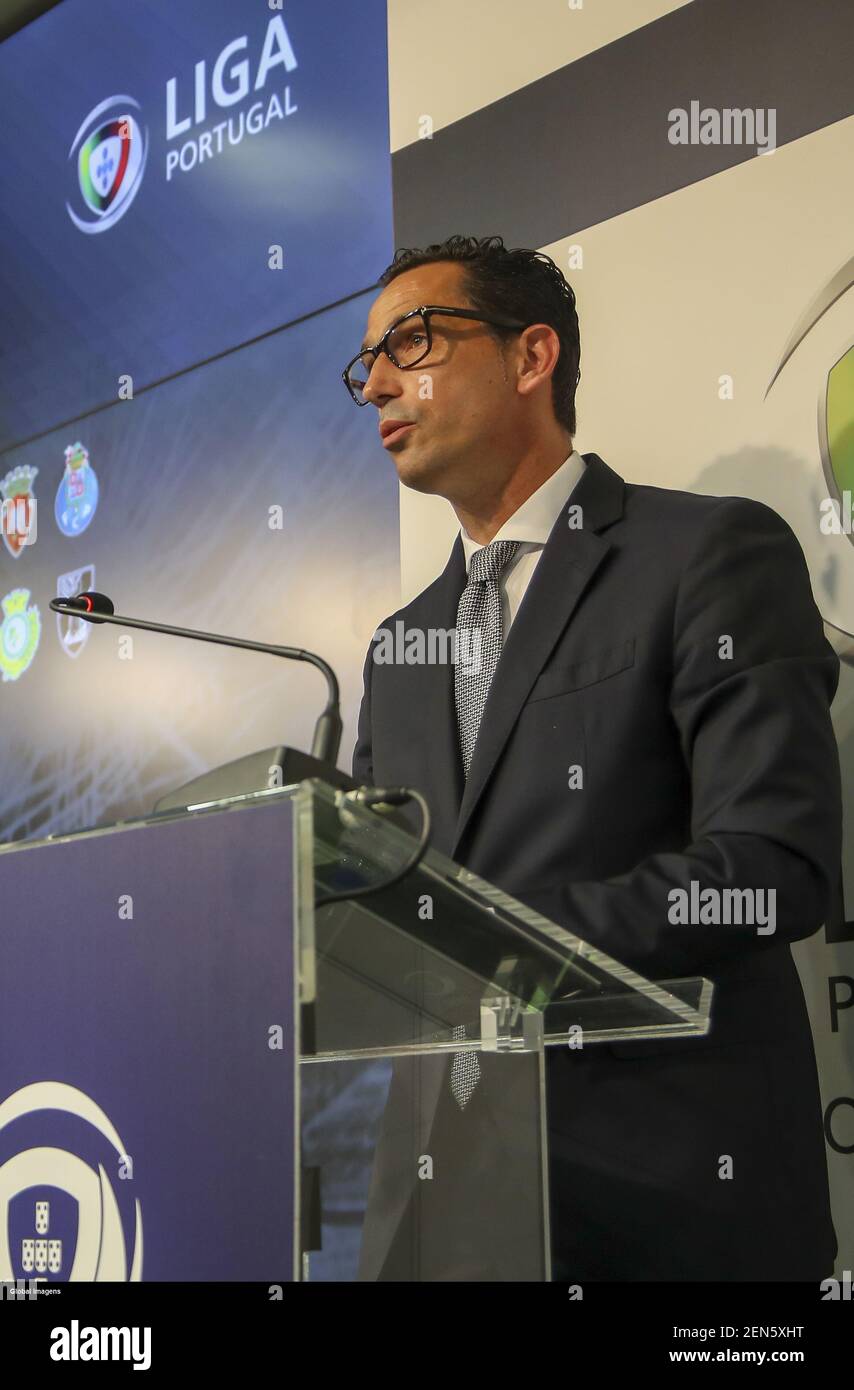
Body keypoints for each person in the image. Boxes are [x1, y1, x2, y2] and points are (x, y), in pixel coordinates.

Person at [346, 233, 841, 1281]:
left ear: (532, 358)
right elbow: (372, 910)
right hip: (442, 1219)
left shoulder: (705, 554)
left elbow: (770, 866)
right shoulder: (397, 648)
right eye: (367, 363)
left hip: (669, 1205)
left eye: (414, 341)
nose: (379, 382)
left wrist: (495, 949)